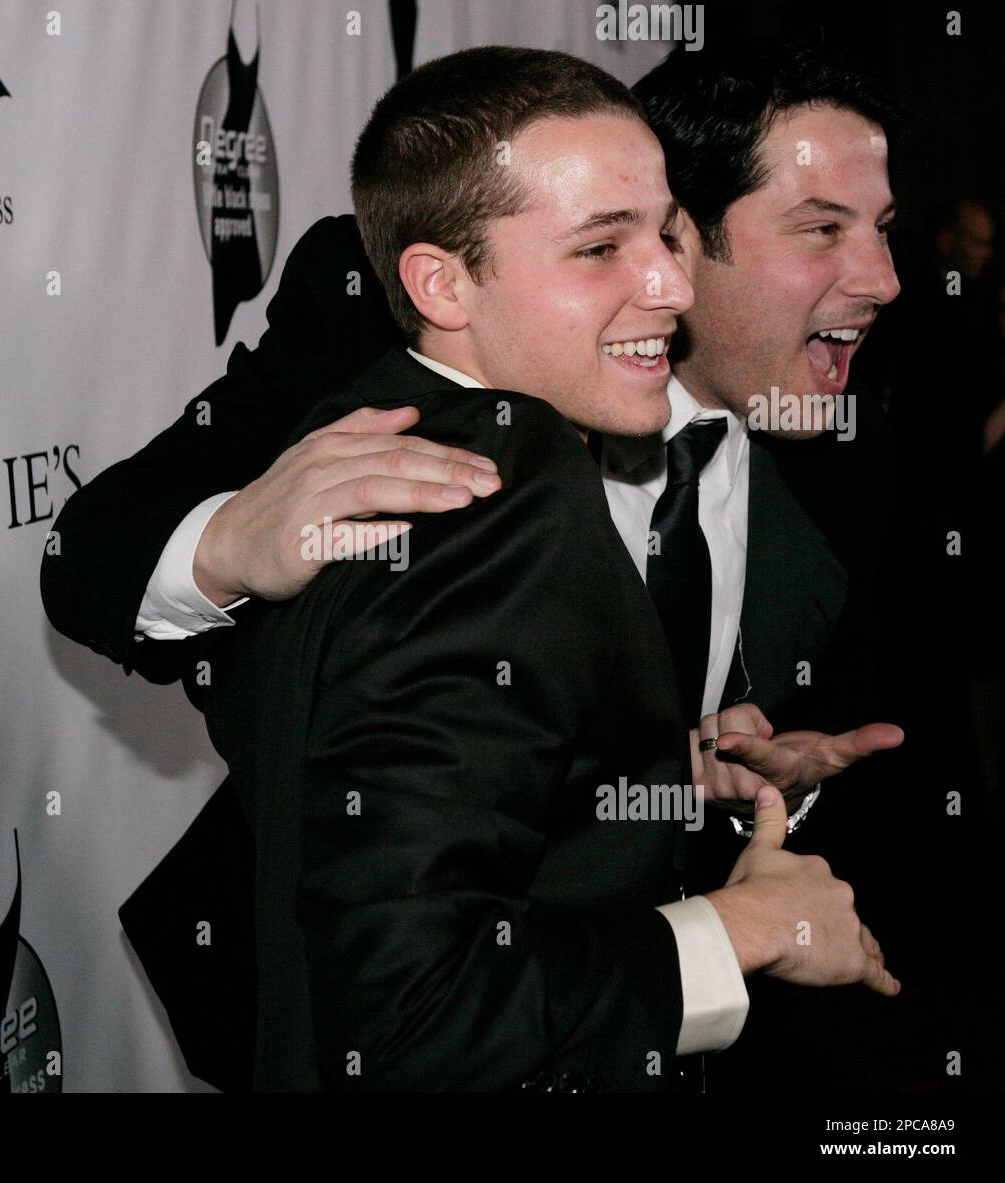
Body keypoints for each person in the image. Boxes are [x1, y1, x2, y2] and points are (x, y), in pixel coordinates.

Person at [44, 45, 900, 1092]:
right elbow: (92, 554)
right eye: (819, 228)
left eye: (883, 230)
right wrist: (229, 543)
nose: (881, 280)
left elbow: (511, 728)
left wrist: (655, 773)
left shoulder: (849, 436)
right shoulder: (422, 378)